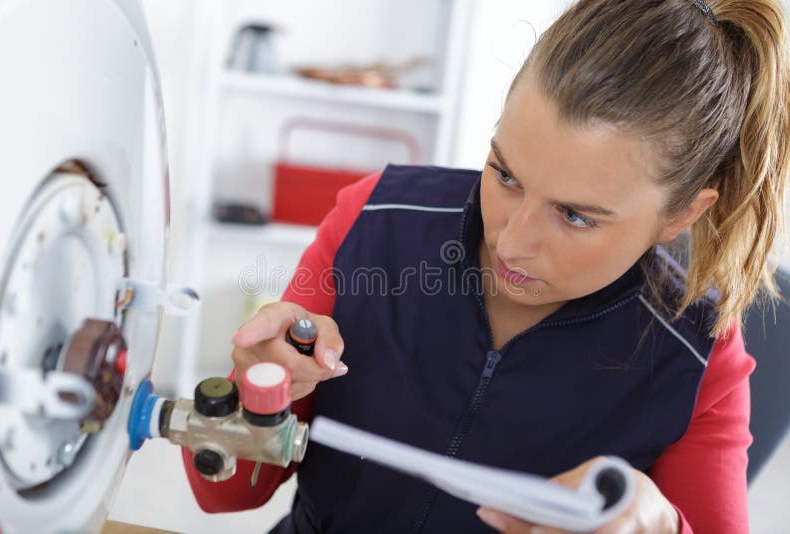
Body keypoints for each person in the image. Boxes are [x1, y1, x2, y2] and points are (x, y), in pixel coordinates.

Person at [182, 0, 790, 532]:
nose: (513, 242)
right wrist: (256, 394)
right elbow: (223, 493)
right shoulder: (374, 220)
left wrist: (659, 526)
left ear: (681, 215)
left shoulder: (698, 349)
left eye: (576, 215)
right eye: (504, 174)